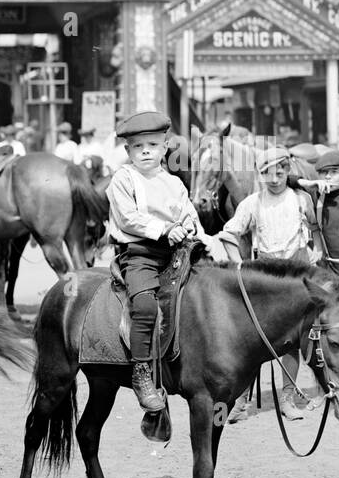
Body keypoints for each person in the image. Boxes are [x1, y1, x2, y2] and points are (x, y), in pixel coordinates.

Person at [104, 111, 224, 414]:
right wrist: (165, 229)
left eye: (153, 145)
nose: (146, 151)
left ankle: (208, 358)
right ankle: (141, 370)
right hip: (141, 254)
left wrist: (200, 235)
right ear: (128, 151)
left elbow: (188, 215)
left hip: (176, 255)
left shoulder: (174, 183)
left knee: (210, 295)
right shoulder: (123, 178)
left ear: (164, 148)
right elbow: (128, 218)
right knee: (144, 305)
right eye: (138, 146)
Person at [220, 144, 319, 420]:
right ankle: (240, 402)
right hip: (265, 277)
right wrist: (238, 264)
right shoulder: (251, 203)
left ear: (288, 170)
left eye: (279, 172)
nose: (274, 179)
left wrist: (316, 252)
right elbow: (229, 233)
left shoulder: (301, 199)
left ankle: (287, 398)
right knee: (253, 340)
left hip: (296, 275)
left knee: (292, 339)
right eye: (267, 174)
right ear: (260, 175)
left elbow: (315, 228)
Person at [303, 148, 339, 276]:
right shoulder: (315, 197)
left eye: (334, 172)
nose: (328, 176)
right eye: (323, 172)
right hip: (330, 267)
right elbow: (289, 181)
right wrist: (310, 183)